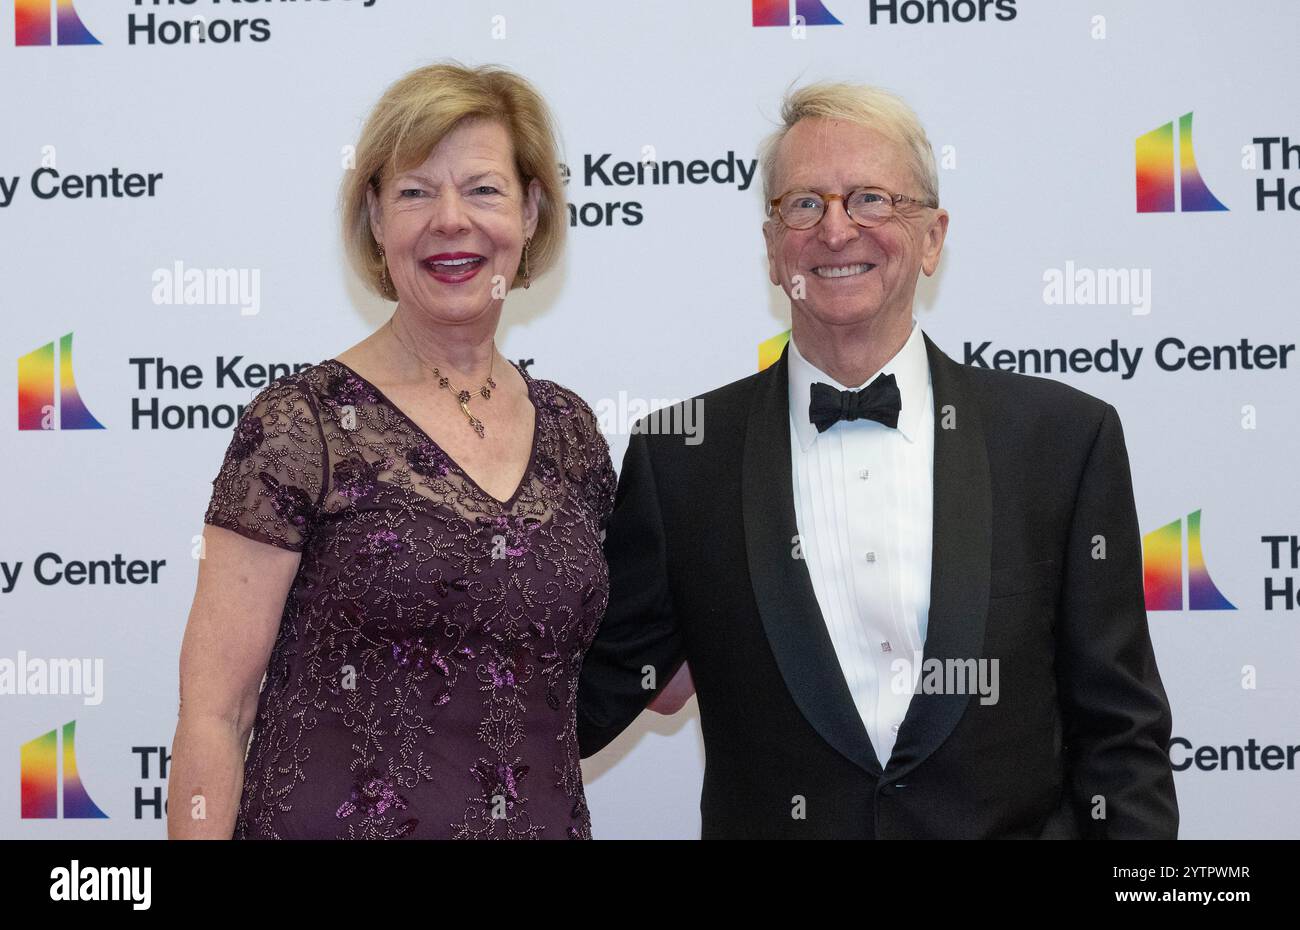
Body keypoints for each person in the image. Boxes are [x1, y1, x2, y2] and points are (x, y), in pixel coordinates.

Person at [577, 81, 1178, 839]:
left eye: (871, 200)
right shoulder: (681, 458)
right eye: (804, 204)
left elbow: (1121, 737)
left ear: (933, 237)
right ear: (770, 248)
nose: (836, 231)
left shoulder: (1061, 439)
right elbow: (581, 701)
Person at [168, 62, 615, 839]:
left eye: (483, 189)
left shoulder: (572, 434)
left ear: (533, 211)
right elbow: (215, 714)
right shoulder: (298, 424)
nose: (450, 221)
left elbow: (635, 659)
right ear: (376, 219)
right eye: (414, 192)